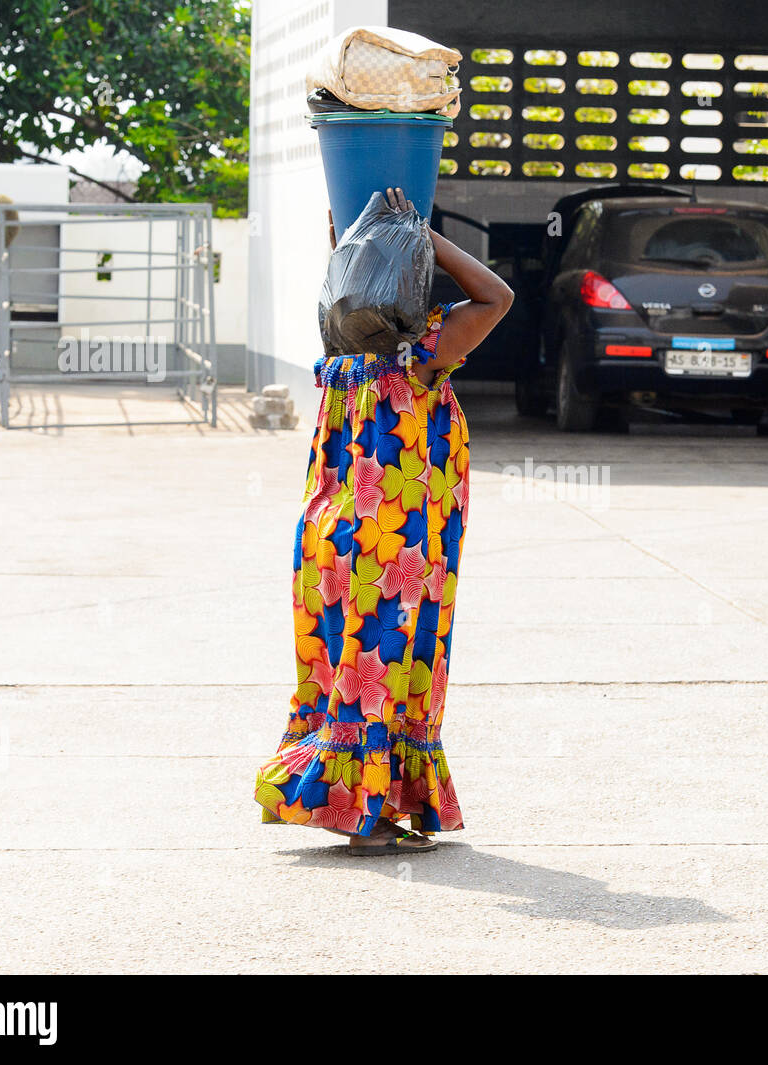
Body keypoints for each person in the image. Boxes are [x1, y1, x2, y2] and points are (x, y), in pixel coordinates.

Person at [253, 187, 512, 853]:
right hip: (394, 549)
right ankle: (366, 812)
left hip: (328, 542)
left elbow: (352, 287)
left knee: (343, 669)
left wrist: (349, 237)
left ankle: (353, 801)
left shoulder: (341, 358)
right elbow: (497, 296)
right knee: (397, 670)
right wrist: (428, 238)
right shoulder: (422, 355)